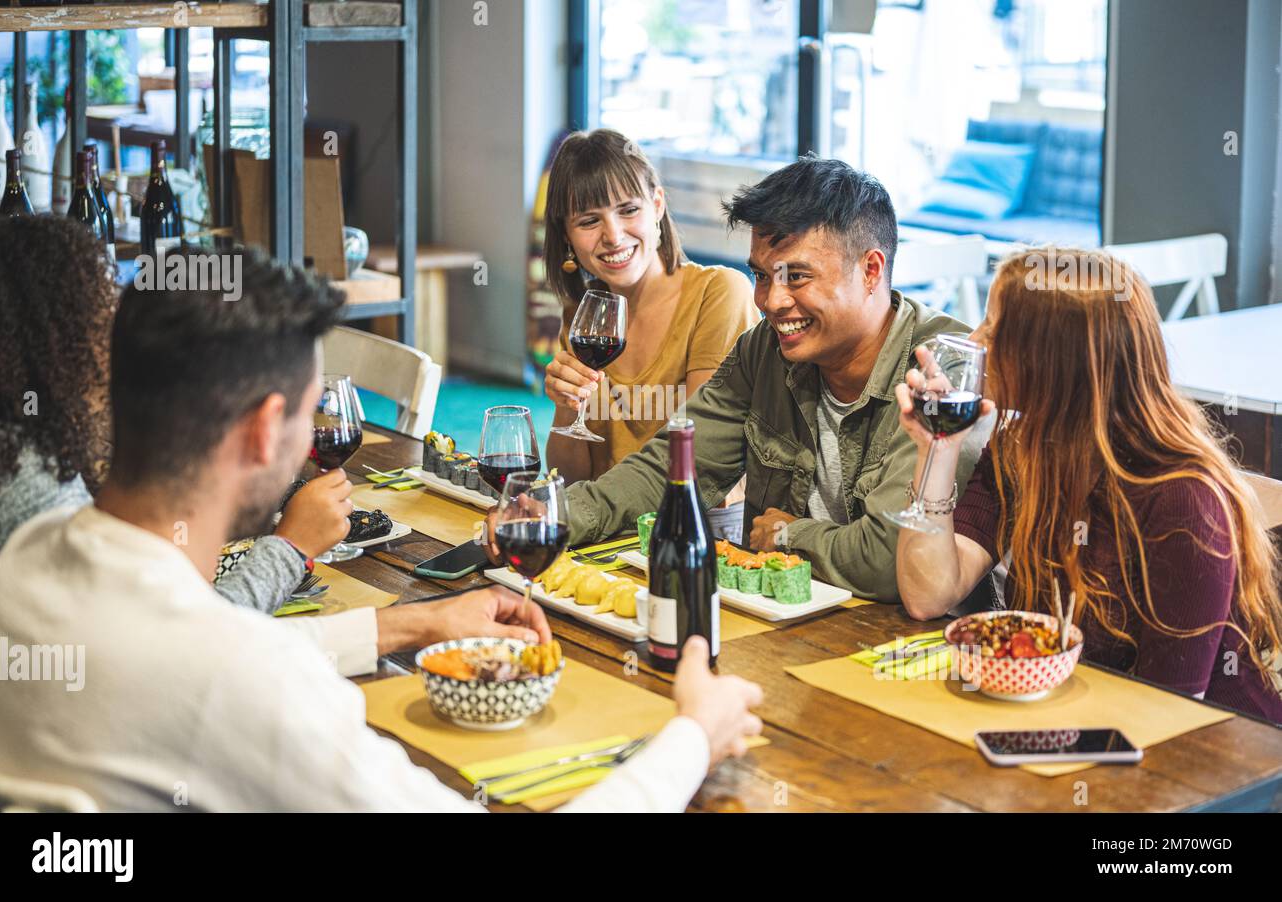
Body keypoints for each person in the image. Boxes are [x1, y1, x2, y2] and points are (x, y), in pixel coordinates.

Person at [0, 250, 764, 811]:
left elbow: (185, 656)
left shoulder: (25, 565)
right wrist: (693, 735)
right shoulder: (237, 680)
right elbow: (228, 672)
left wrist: (403, 625)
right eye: (313, 406)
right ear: (264, 432)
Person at [0, 217, 488, 679]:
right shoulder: (32, 497)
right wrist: (289, 550)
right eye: (102, 313)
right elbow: (206, 655)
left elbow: (195, 645)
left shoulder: (25, 540)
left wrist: (404, 626)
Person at [494, 157, 986, 603]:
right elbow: (669, 466)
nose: (770, 302)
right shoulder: (765, 349)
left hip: (895, 653)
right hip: (771, 623)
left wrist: (791, 537)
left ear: (871, 270)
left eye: (796, 277)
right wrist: (548, 514)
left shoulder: (943, 376)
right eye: (761, 276)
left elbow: (888, 558)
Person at [895, 248, 1282, 723]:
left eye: (994, 331)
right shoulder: (1024, 446)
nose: (974, 340)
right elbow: (928, 595)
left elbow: (1164, 714)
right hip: (1073, 720)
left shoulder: (1183, 499)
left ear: (1054, 362)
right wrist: (937, 449)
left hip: (1221, 767)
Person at [542, 129, 757, 484]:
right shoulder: (584, 317)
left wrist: (596, 511)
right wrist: (566, 410)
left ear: (657, 205)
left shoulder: (718, 293)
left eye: (628, 210)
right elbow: (569, 479)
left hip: (696, 525)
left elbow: (694, 457)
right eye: (589, 221)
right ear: (566, 234)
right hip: (608, 531)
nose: (613, 236)